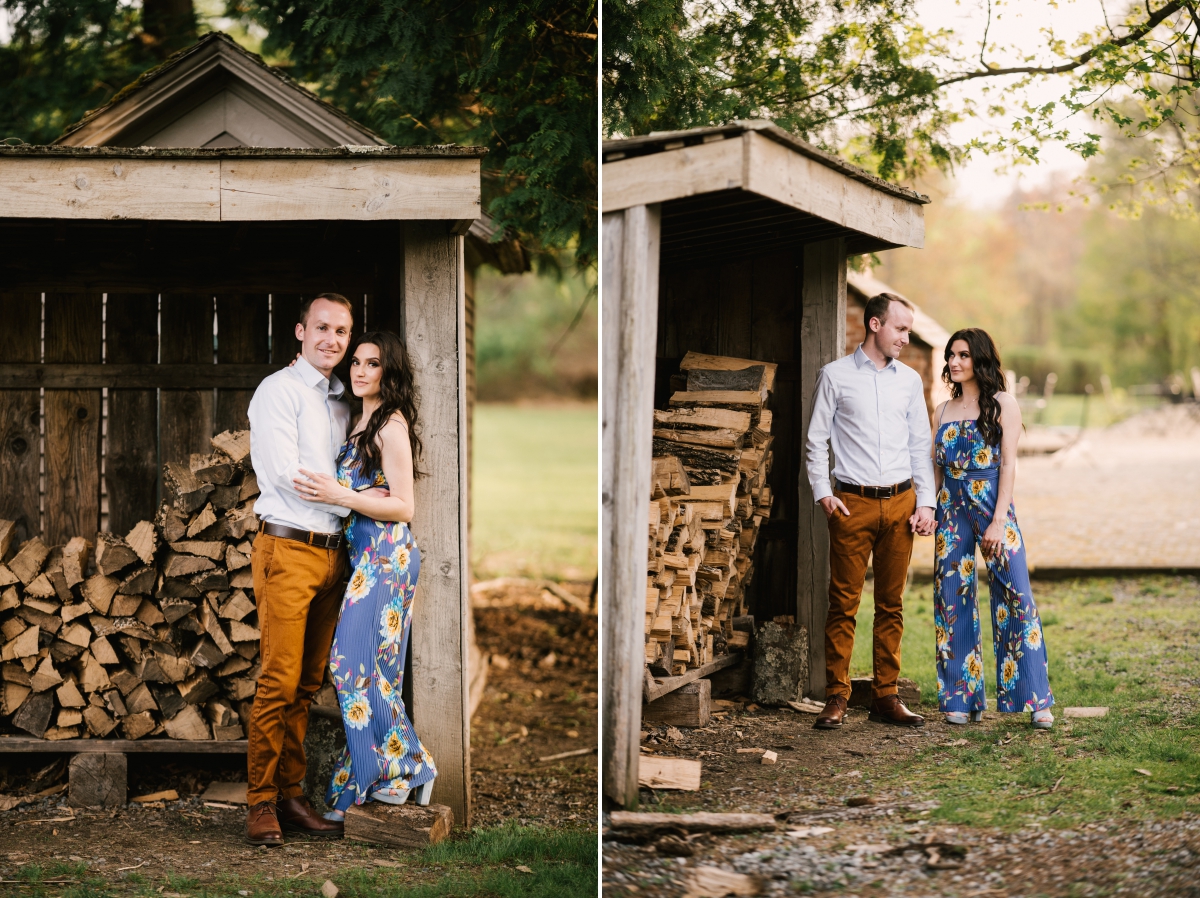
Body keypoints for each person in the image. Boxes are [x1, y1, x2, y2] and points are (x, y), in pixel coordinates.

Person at [292, 331, 438, 818]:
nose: (359, 371)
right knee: (373, 672)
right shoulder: (360, 421)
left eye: (372, 364)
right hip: (368, 560)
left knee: (348, 666)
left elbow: (404, 506)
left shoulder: (390, 425)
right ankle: (365, 781)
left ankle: (409, 766)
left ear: (388, 372)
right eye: (355, 362)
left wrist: (345, 496)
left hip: (387, 560)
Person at [244, 293, 357, 846]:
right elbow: (286, 472)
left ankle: (291, 796)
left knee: (308, 685)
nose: (331, 339)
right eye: (322, 328)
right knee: (278, 680)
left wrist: (346, 501)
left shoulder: (343, 401)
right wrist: (346, 497)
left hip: (335, 554)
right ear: (300, 331)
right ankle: (260, 802)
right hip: (288, 549)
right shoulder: (279, 391)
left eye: (341, 331)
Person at [805, 292, 936, 731]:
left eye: (909, 330)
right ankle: (836, 697)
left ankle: (885, 696)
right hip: (852, 504)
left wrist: (926, 502)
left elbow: (920, 446)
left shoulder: (909, 381)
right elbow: (816, 440)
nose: (906, 338)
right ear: (875, 325)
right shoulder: (835, 375)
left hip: (901, 505)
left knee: (891, 604)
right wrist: (823, 493)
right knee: (843, 604)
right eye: (900, 328)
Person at [932, 329, 1054, 729]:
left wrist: (999, 520)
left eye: (963, 355)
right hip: (951, 509)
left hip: (992, 506)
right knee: (952, 599)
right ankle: (961, 697)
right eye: (951, 355)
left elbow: (1009, 464)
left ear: (980, 359)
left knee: (1016, 594)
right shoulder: (942, 410)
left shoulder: (1003, 404)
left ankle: (1035, 699)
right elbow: (936, 470)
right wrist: (930, 508)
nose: (954, 362)